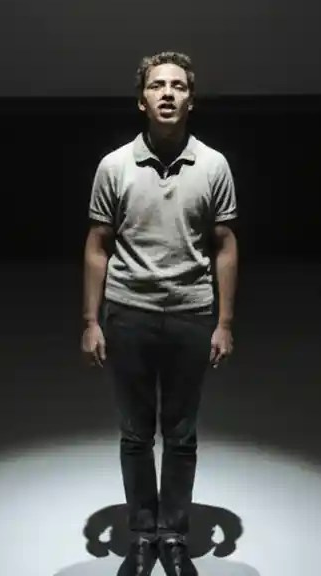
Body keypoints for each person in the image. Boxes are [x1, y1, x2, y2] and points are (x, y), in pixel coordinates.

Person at [82, 51, 239, 576]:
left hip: (192, 313)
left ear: (192, 99)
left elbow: (224, 246)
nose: (167, 93)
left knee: (181, 433)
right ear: (141, 99)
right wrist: (90, 320)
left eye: (177, 85)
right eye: (157, 85)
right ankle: (141, 532)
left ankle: (173, 532)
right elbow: (98, 245)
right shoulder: (115, 166)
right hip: (129, 312)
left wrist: (224, 322)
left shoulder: (214, 165)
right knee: (134, 433)